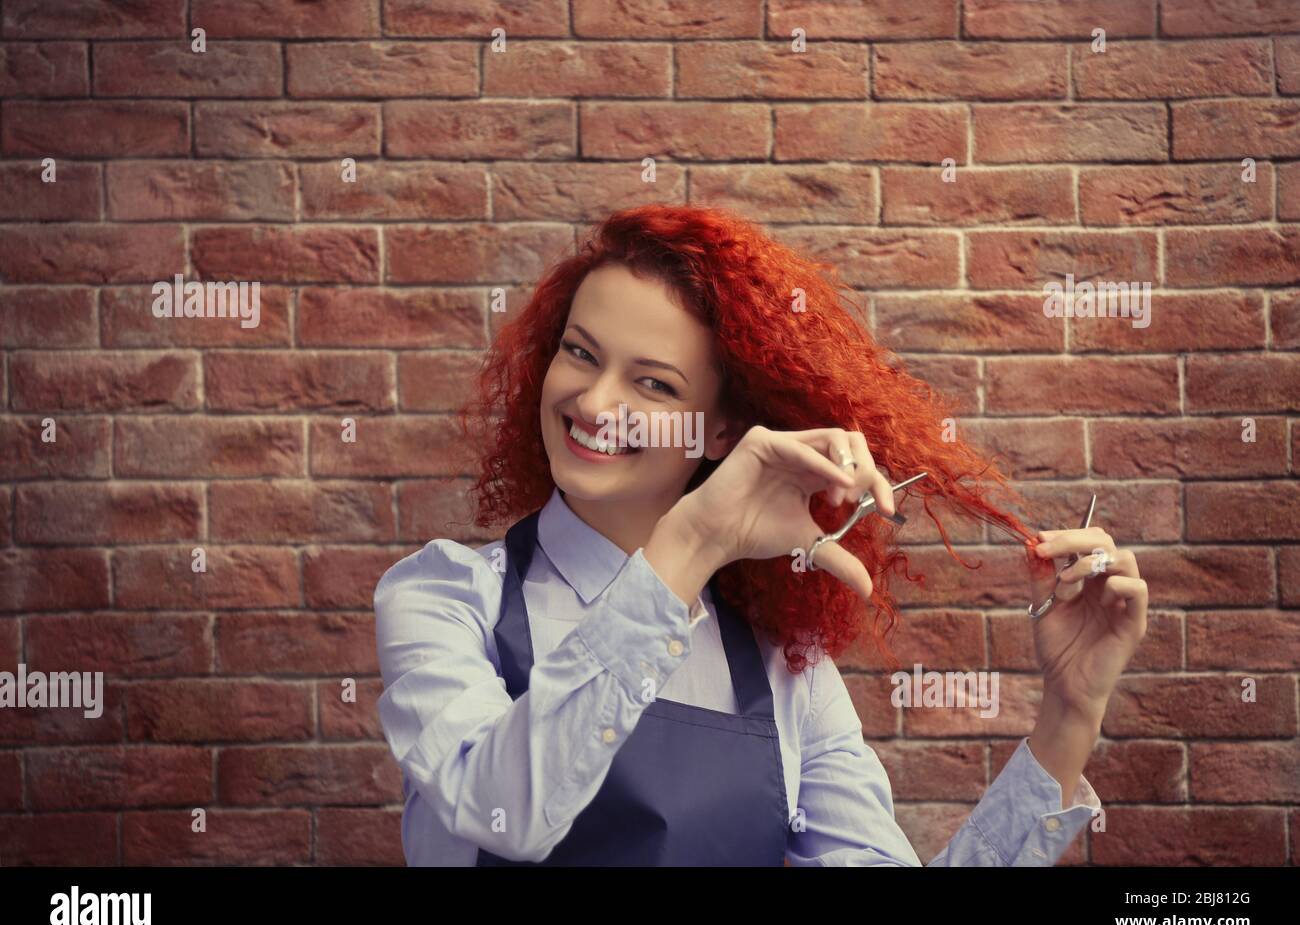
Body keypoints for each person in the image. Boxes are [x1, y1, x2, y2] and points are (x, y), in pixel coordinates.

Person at [374, 204, 1149, 866]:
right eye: (580, 353)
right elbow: (506, 810)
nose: (593, 400)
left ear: (720, 433)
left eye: (653, 383)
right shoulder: (448, 597)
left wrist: (1068, 718)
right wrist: (691, 543)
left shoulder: (786, 673)